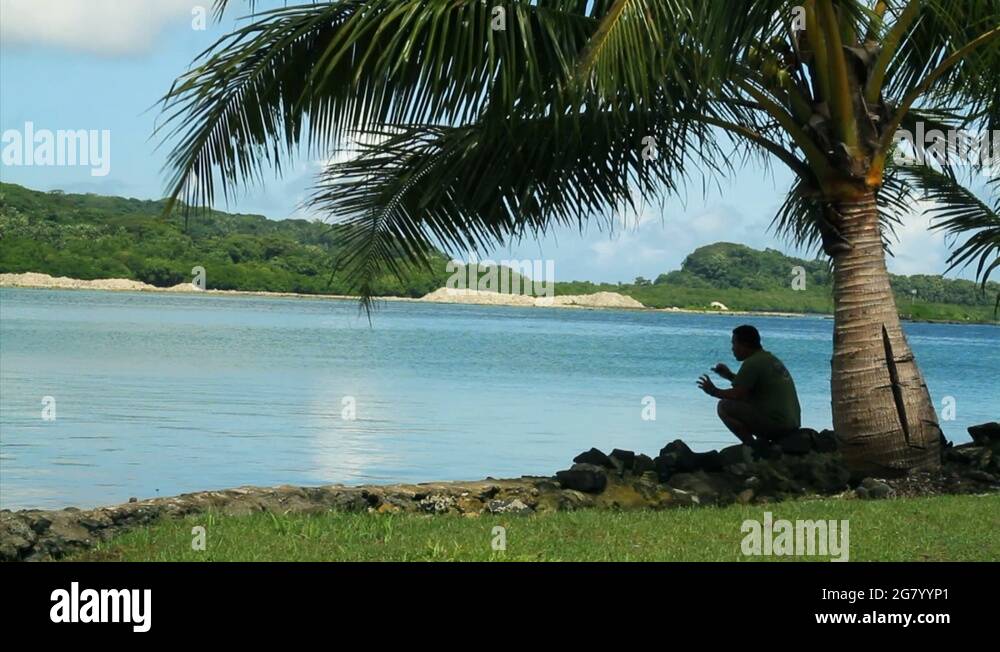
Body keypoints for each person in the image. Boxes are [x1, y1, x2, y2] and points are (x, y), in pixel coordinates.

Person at [696, 325, 801, 446]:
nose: (732, 349)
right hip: (792, 424)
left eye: (734, 344)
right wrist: (729, 375)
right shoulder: (768, 358)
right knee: (748, 400)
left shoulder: (752, 363)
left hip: (778, 426)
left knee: (724, 406)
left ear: (745, 344)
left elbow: (737, 395)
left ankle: (753, 447)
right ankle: (764, 444)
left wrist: (713, 391)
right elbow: (751, 387)